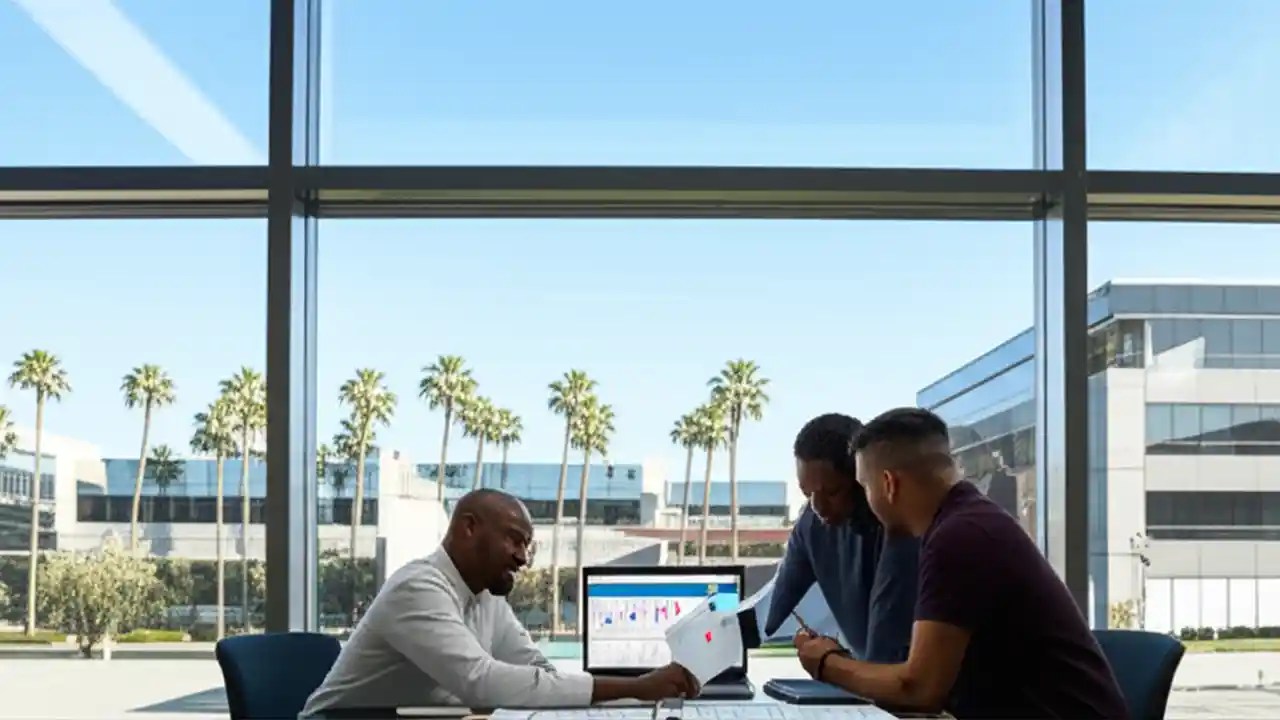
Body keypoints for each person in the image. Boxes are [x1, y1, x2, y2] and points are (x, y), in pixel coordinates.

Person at [793, 408, 1128, 719]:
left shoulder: (958, 538)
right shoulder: (968, 521)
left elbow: (919, 689)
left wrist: (826, 663)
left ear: (889, 484)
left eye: (865, 486)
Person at [302, 489, 697, 716]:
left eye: (527, 545)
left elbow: (536, 670)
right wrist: (638, 686)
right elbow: (483, 682)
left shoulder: (483, 596)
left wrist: (628, 693)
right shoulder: (418, 587)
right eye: (514, 539)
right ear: (468, 527)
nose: (523, 557)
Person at [762, 413, 918, 662]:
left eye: (832, 492)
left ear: (863, 479)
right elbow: (773, 607)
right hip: (871, 672)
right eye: (807, 493)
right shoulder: (810, 524)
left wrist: (829, 664)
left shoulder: (901, 526)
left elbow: (888, 650)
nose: (818, 507)